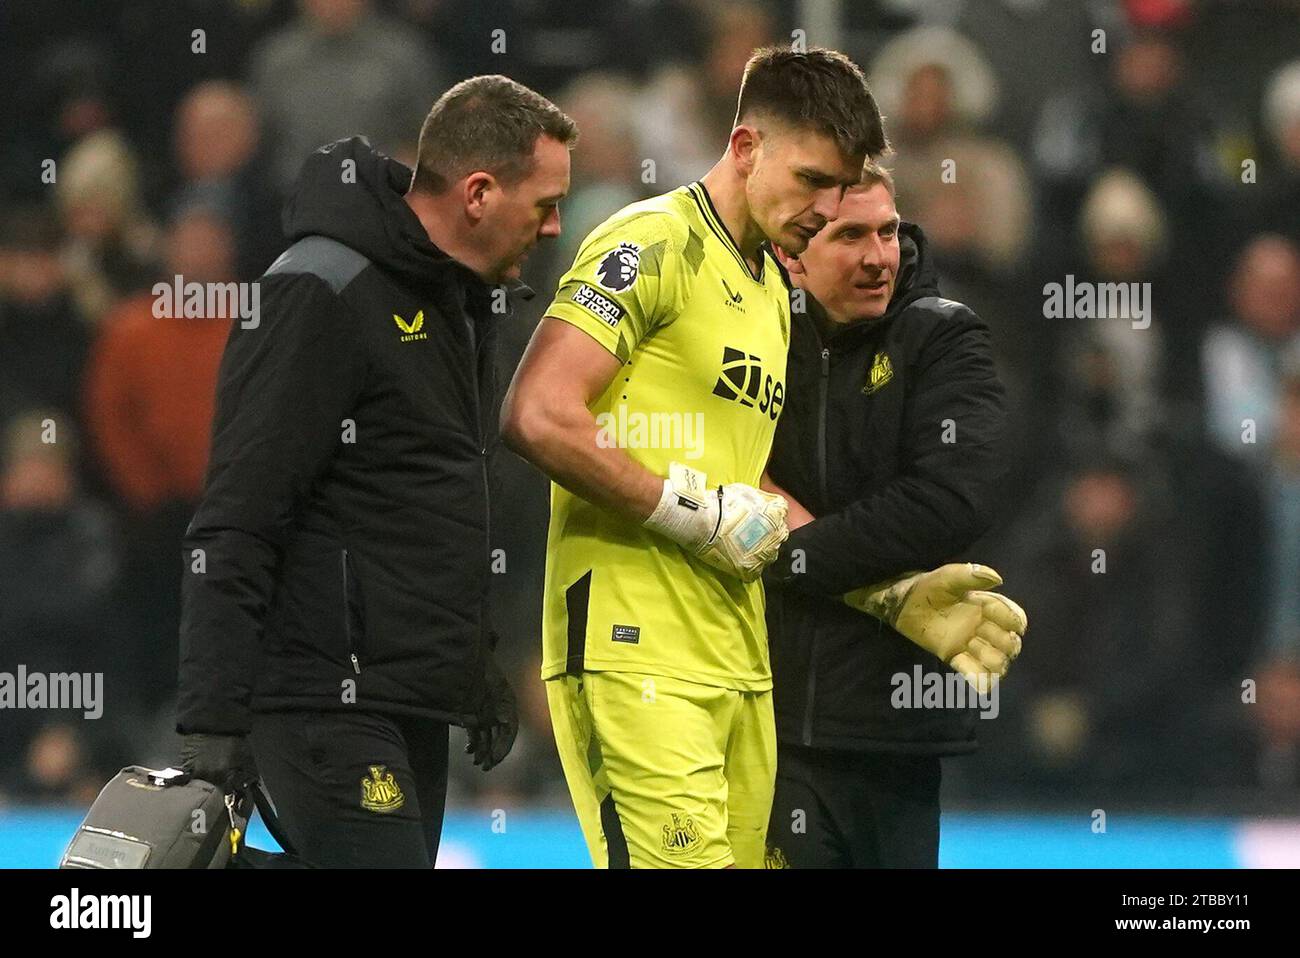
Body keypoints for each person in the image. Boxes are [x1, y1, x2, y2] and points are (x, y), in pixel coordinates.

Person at [503, 46, 1022, 869]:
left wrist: (885, 597)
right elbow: (538, 414)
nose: (823, 208)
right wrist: (685, 511)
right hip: (635, 649)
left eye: (842, 186)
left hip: (743, 663)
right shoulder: (652, 240)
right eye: (813, 181)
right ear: (746, 148)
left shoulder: (771, 293)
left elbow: (748, 487)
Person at [175, 75, 577, 868]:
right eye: (545, 202)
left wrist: (474, 673)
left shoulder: (458, 304)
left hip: (404, 699)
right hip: (322, 693)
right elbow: (239, 514)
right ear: (479, 192)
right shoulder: (320, 288)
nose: (554, 225)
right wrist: (210, 723)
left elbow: (424, 505)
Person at [760, 163, 1025, 867]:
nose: (879, 256)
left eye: (888, 232)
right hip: (764, 719)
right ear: (792, 255)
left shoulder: (942, 337)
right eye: (850, 236)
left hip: (895, 735)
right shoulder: (752, 338)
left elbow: (950, 502)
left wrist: (786, 553)